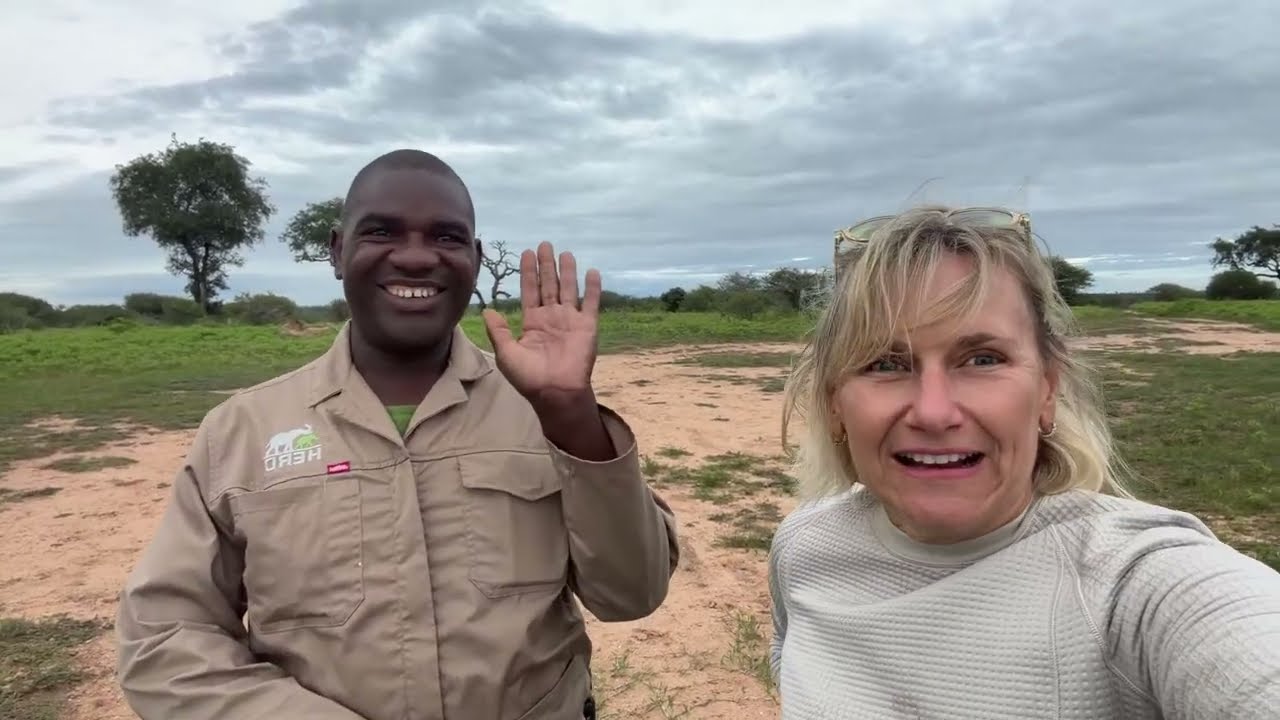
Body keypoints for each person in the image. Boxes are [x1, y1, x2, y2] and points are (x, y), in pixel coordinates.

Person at [115, 149, 680, 720]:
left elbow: (632, 594)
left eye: (446, 237)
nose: (415, 256)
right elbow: (163, 638)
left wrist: (572, 417)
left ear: (475, 259)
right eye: (381, 231)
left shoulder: (543, 413)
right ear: (337, 251)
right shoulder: (241, 432)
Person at [770, 206, 1280, 719]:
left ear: (1047, 390)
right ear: (834, 403)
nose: (933, 412)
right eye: (885, 363)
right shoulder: (803, 547)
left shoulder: (1138, 585)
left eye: (983, 359)